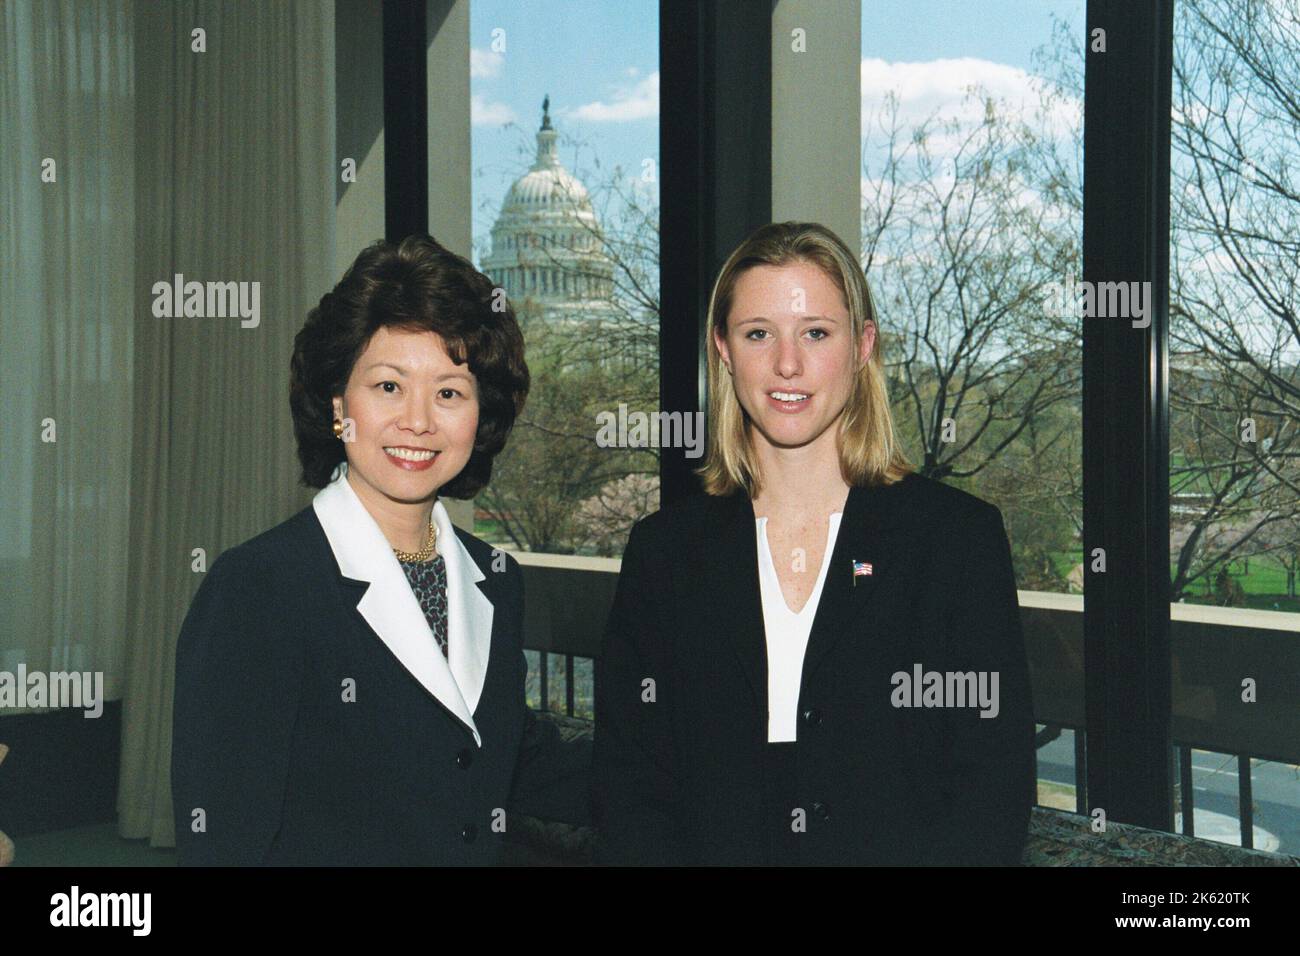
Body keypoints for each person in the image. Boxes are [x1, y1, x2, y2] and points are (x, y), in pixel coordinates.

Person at [593, 221, 1035, 865]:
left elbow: (990, 794)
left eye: (816, 333)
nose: (787, 363)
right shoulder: (664, 553)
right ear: (722, 349)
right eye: (758, 333)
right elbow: (628, 787)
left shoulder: (954, 542)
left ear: (862, 347)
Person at [171, 235, 590, 865]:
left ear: (480, 416)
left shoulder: (496, 577)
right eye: (389, 387)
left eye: (449, 392)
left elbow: (491, 753)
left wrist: (682, 757)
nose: (418, 420)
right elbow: (225, 837)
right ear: (340, 406)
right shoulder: (258, 587)